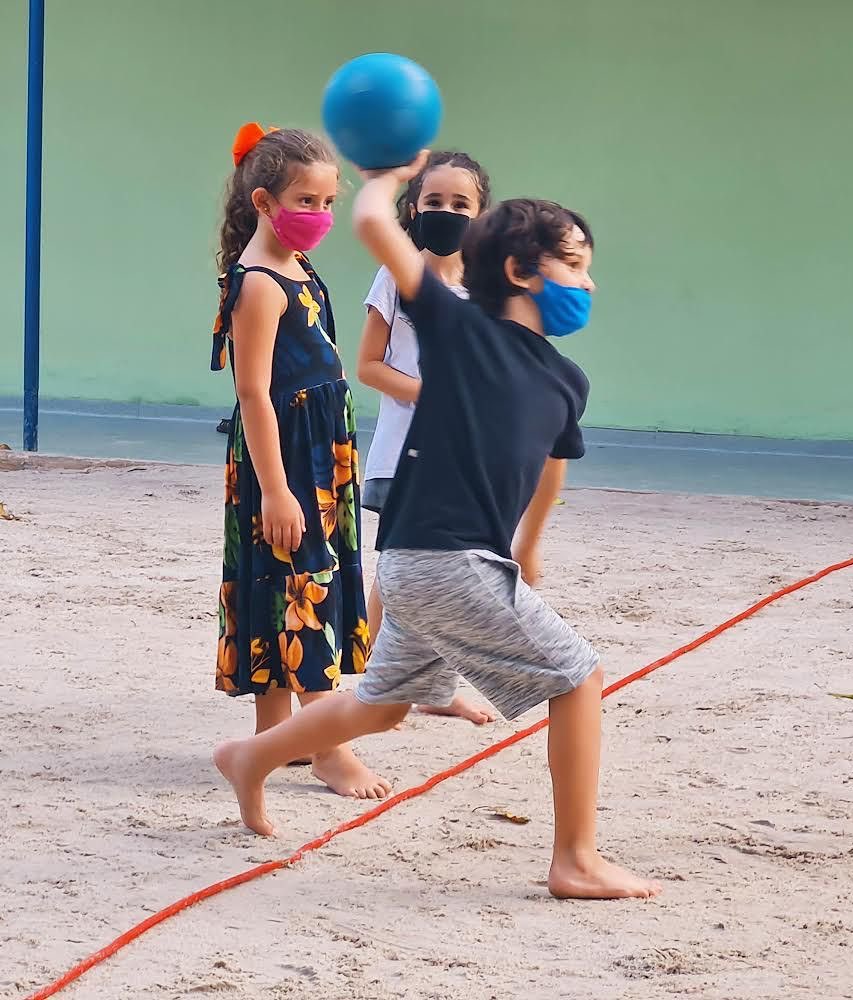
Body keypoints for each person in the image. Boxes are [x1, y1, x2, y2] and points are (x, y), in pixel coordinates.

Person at [214, 151, 661, 900]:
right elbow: (368, 223)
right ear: (521, 271)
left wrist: (530, 544)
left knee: (381, 709)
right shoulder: (461, 329)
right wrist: (391, 171)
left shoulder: (564, 377)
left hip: (449, 560)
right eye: (576, 265)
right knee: (578, 677)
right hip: (441, 559)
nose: (588, 284)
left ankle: (250, 757)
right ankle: (575, 860)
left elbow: (555, 461)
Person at [211, 122, 390, 800]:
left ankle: (272, 735)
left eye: (327, 201)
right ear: (262, 202)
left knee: (283, 581)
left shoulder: (297, 268)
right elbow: (252, 392)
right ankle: (327, 748)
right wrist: (277, 492)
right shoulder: (258, 282)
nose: (320, 216)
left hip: (319, 452)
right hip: (282, 459)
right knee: (301, 583)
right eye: (306, 202)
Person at [357, 150, 495, 726]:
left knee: (452, 571)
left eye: (460, 203)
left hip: (465, 461)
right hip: (402, 457)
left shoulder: (491, 290)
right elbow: (368, 365)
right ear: (413, 208)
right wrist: (427, 394)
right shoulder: (396, 277)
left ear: (482, 215)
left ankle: (434, 685)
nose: (446, 212)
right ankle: (369, 675)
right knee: (396, 568)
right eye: (434, 201)